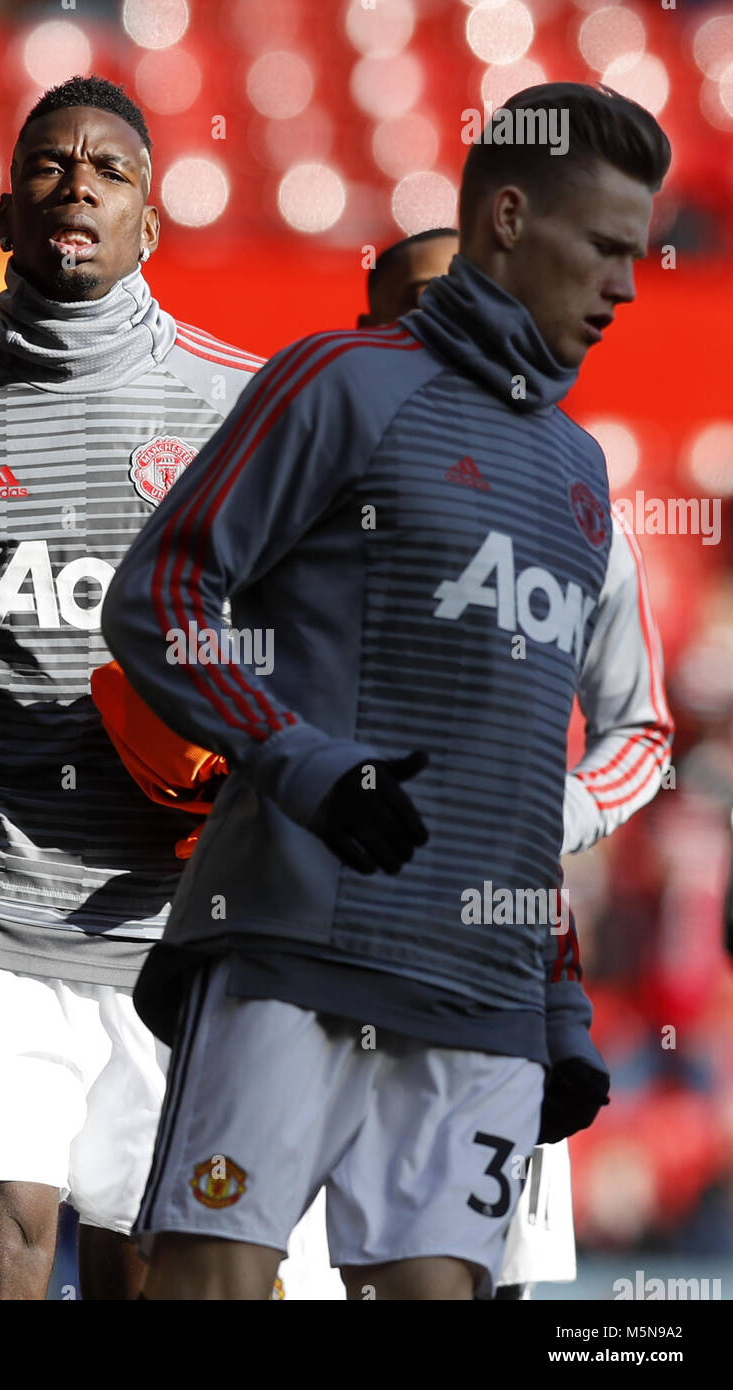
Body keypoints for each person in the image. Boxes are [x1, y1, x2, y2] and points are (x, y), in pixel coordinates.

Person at [101, 82, 672, 1300]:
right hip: (295, 949)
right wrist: (302, 760)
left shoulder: (582, 474)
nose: (628, 284)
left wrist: (559, 1000)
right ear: (509, 218)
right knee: (209, 1287)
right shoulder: (338, 382)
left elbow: (517, 768)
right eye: (607, 248)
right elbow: (161, 598)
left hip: (483, 988)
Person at [0, 74, 334, 1301]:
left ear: (152, 223)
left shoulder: (244, 404)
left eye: (110, 169)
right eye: (46, 164)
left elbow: (321, 623)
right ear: (3, 213)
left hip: (175, 902)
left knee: (144, 1272)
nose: (76, 181)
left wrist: (249, 721)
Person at [363, 227, 674, 1299]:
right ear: (367, 332)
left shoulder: (580, 500)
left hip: (504, 960)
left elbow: (641, 729)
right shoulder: (303, 483)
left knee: (482, 1282)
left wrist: (560, 812)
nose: (446, 331)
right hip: (311, 954)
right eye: (414, 310)